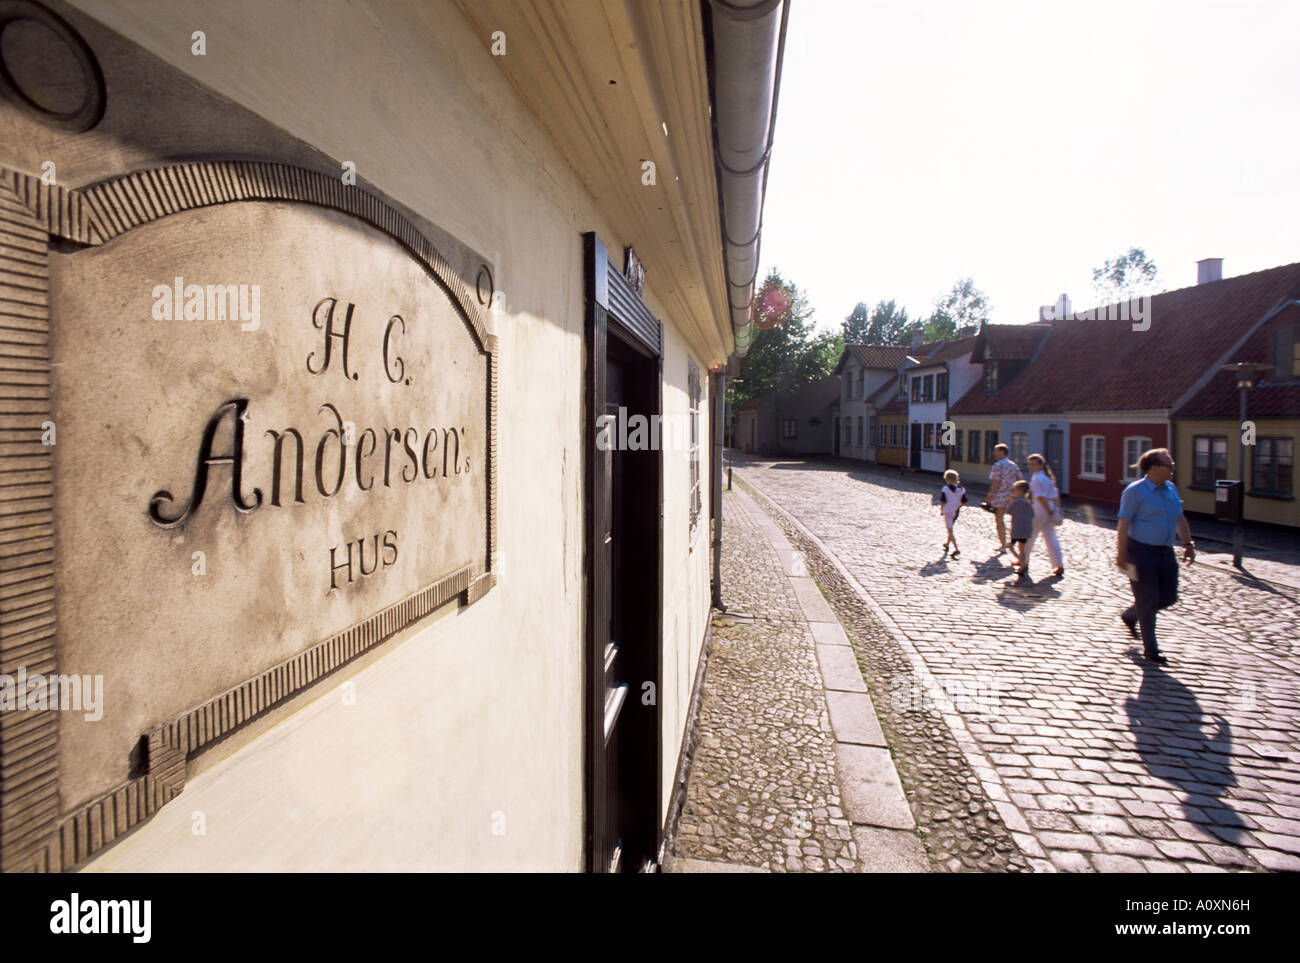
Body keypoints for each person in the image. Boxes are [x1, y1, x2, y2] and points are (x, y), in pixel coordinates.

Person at [1116, 447, 1195, 665]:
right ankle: (1151, 649)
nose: (1173, 469)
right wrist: (1121, 554)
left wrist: (1188, 543)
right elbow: (1124, 524)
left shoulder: (1170, 489)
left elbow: (1179, 517)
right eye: (1169, 465)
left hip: (1165, 551)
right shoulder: (1135, 491)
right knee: (1148, 598)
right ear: (1153, 468)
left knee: (1169, 597)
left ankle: (1132, 614)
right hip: (1140, 551)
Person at [1021, 453, 1064, 577]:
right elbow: (1055, 497)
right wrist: (1056, 510)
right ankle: (1058, 564)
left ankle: (1024, 562)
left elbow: (1041, 497)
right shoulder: (1047, 478)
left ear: (1040, 465)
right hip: (1050, 506)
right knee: (1051, 536)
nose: (1031, 466)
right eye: (1029, 464)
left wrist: (1049, 512)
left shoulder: (1037, 478)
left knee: (1030, 536)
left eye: (1033, 464)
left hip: (1040, 509)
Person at [986, 443, 1023, 552]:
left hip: (1000, 494)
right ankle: (1013, 542)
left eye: (996, 450)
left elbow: (995, 482)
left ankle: (1003, 545)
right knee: (1014, 520)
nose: (994, 453)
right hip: (1013, 495)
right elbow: (1020, 479)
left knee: (999, 519)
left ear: (1002, 452)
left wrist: (990, 496)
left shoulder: (998, 465)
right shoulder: (1013, 465)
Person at [938, 469, 968, 558]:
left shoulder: (945, 489)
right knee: (950, 528)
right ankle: (947, 544)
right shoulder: (962, 489)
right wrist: (957, 505)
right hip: (956, 511)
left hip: (948, 511)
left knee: (950, 530)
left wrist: (941, 509)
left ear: (947, 479)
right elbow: (964, 501)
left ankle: (956, 549)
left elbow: (943, 501)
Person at [1006, 479, 1034, 576]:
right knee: (1022, 548)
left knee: (1011, 546)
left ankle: (1022, 565)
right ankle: (1023, 563)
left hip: (1017, 529)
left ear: (1019, 491)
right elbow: (1033, 515)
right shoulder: (1029, 503)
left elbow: (1007, 510)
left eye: (1014, 490)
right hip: (1027, 528)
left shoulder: (1016, 502)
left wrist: (1010, 500)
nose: (1012, 491)